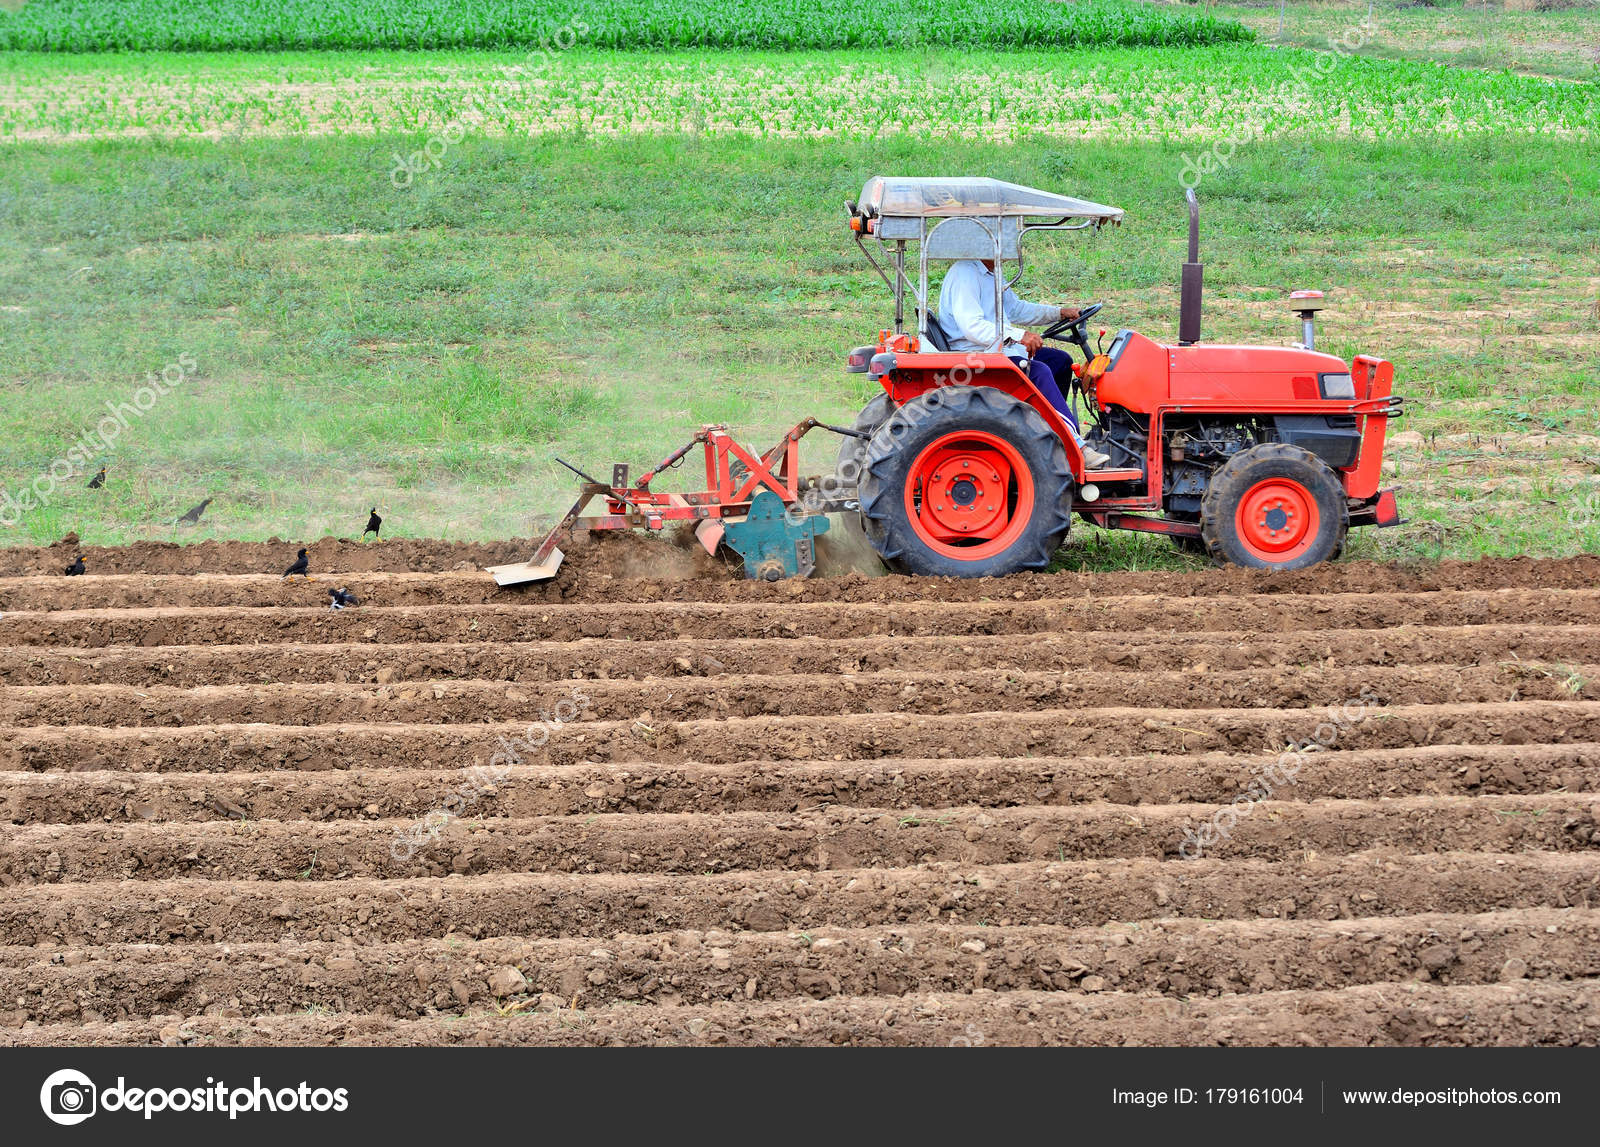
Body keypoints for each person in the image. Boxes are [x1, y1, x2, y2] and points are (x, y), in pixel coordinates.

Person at [936, 258, 1111, 469]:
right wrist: (1019, 335)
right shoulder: (964, 273)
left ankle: (1048, 433)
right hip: (977, 356)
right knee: (1039, 372)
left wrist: (1058, 313)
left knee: (1060, 361)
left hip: (997, 349)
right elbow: (972, 326)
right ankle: (1076, 447)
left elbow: (1016, 309)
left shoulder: (991, 272)